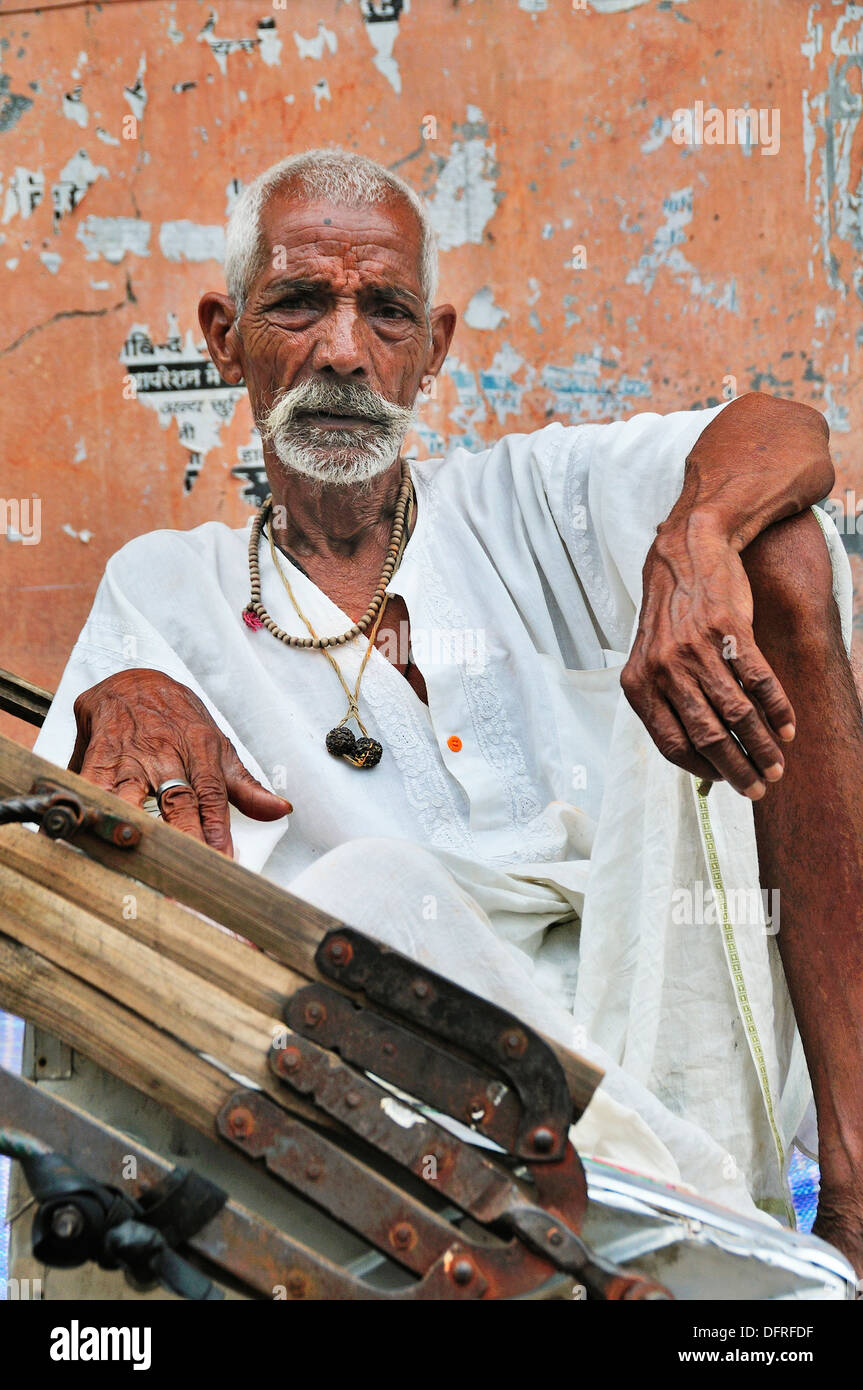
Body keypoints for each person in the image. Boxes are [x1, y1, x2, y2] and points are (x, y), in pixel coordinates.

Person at [32, 148, 863, 1273]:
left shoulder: (523, 501)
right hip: (419, 1090)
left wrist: (696, 540)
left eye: (383, 312)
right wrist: (117, 694)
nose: (341, 350)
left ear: (434, 349)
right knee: (368, 889)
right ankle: (696, 1238)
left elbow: (784, 431)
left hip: (654, 1011)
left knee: (781, 556)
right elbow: (70, 854)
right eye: (297, 304)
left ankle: (847, 1199)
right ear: (224, 335)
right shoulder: (164, 586)